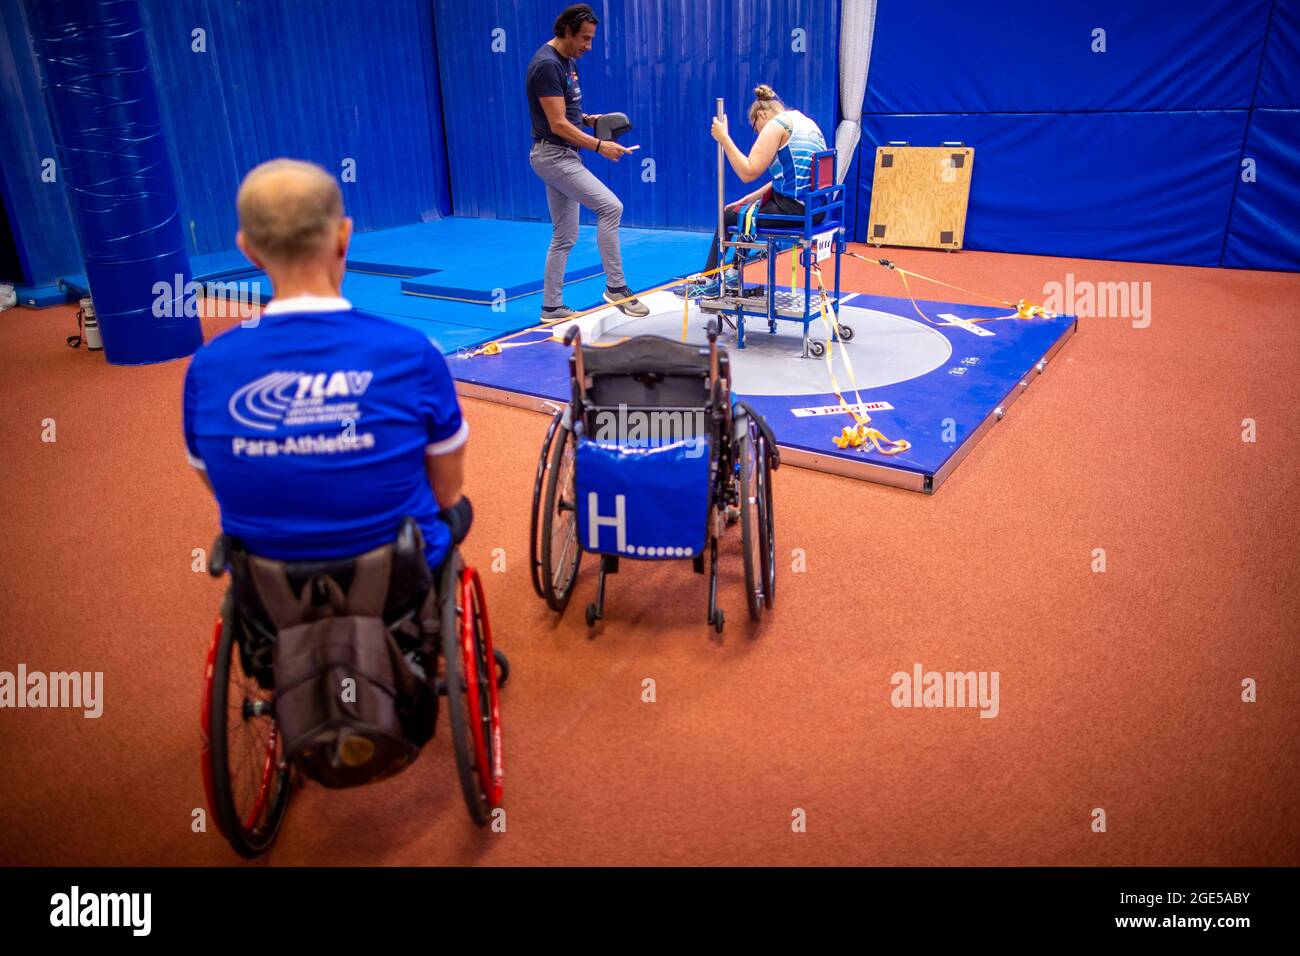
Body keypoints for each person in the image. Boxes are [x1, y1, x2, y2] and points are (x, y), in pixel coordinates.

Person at [182, 158, 472, 573]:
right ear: (344, 235)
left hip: (268, 587)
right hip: (398, 581)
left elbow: (221, 483)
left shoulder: (207, 368)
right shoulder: (412, 352)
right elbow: (447, 493)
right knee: (458, 512)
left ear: (248, 248)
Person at [526, 3, 649, 320]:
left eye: (591, 39)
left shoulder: (566, 62)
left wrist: (591, 120)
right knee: (611, 207)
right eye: (584, 38)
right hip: (553, 154)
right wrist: (600, 145)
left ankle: (551, 307)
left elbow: (566, 114)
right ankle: (617, 287)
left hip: (561, 153)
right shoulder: (547, 66)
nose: (588, 46)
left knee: (564, 236)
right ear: (566, 31)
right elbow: (557, 124)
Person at [691, 84, 828, 296]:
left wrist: (724, 138)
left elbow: (747, 173)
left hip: (795, 210)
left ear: (762, 115)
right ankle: (735, 270)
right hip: (816, 209)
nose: (758, 134)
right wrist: (748, 198)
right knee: (744, 210)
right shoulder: (806, 122)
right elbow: (788, 178)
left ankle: (709, 281)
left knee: (727, 216)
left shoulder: (776, 125)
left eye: (756, 129)